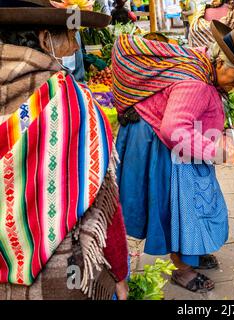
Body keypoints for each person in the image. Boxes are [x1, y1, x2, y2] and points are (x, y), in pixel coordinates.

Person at [112, 20, 234, 292]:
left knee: (189, 203)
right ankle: (182, 268)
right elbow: (174, 129)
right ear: (220, 64)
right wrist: (219, 151)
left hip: (168, 141)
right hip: (162, 144)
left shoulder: (204, 65)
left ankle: (190, 253)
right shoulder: (196, 84)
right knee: (180, 206)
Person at [0, 0, 129, 300]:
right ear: (45, 38)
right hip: (59, 275)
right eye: (69, 35)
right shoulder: (72, 103)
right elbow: (104, 201)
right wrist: (120, 274)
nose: (73, 45)